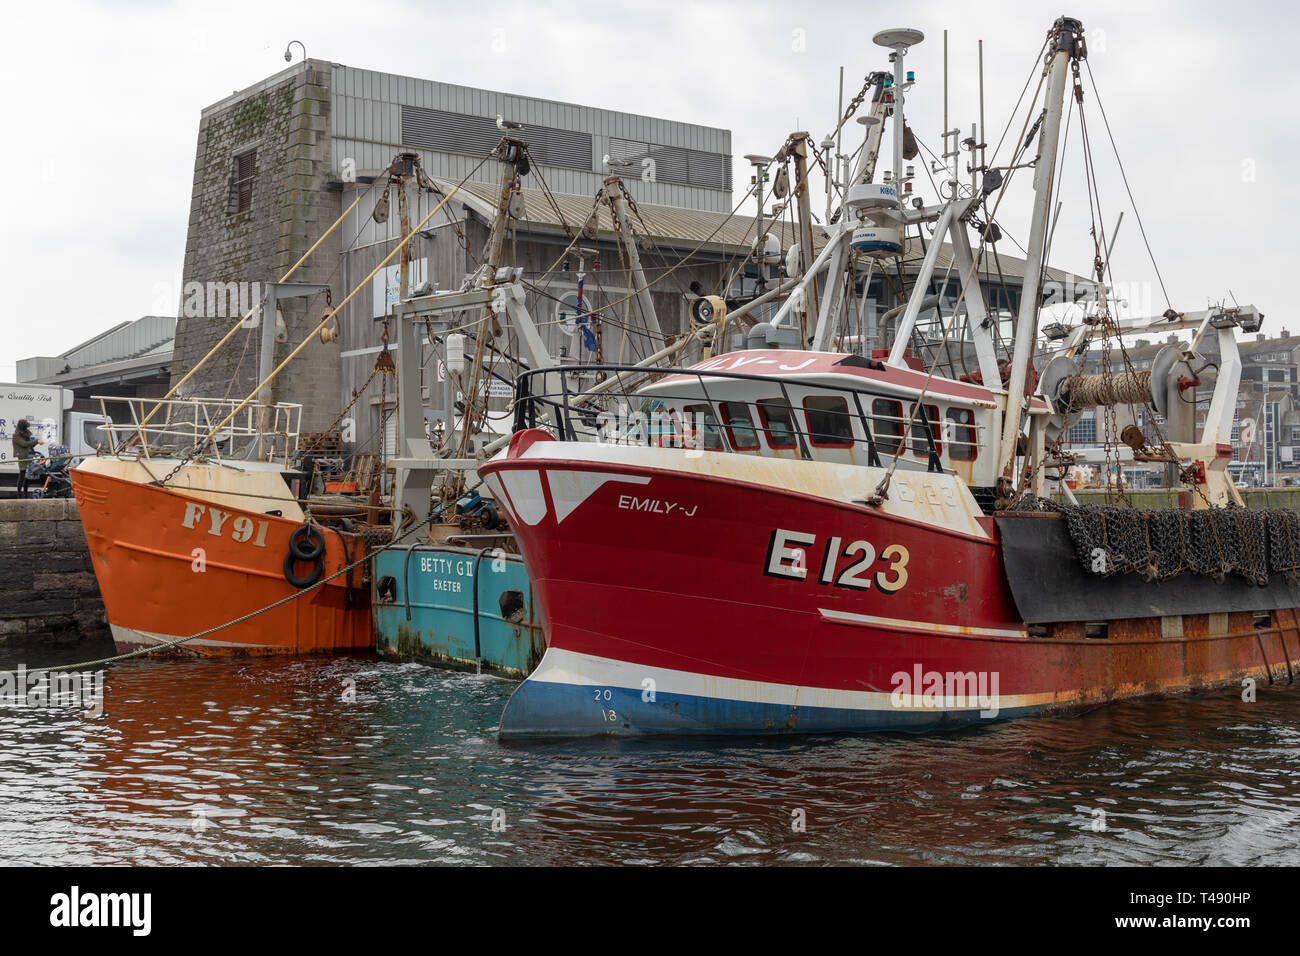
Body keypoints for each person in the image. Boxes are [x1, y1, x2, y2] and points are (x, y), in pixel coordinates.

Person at [11, 420, 41, 499]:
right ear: (22, 427)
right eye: (26, 427)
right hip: (22, 457)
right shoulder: (16, 435)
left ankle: (25, 493)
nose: (27, 428)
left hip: (29, 456)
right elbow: (24, 444)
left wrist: (36, 442)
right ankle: (19, 494)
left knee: (28, 476)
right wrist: (36, 441)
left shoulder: (25, 433)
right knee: (22, 474)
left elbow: (29, 445)